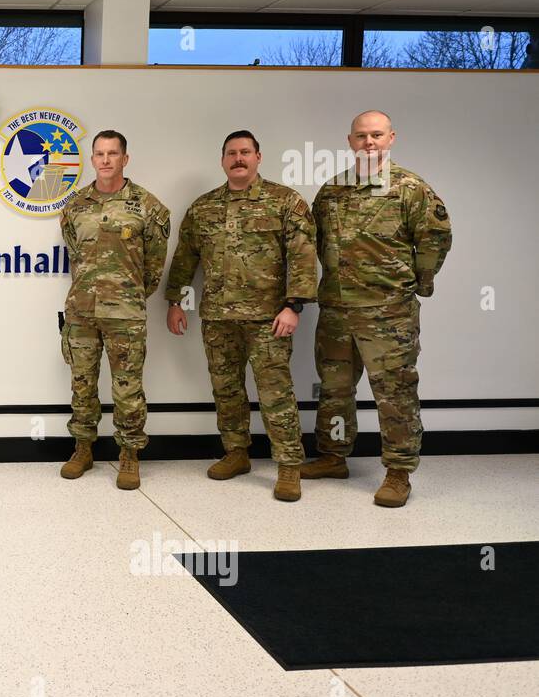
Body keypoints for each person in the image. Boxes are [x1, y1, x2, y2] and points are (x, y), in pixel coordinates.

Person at [302, 110, 452, 507]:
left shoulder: (410, 189)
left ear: (391, 139)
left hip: (388, 314)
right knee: (334, 389)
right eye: (361, 136)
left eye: (377, 135)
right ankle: (333, 456)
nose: (369, 142)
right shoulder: (332, 190)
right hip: (336, 310)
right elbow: (318, 244)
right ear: (350, 141)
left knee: (394, 392)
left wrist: (416, 283)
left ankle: (399, 472)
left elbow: (435, 240)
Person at [164, 131, 317, 501]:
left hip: (270, 318)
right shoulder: (204, 208)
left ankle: (289, 466)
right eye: (231, 153)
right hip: (218, 317)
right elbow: (186, 259)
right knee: (227, 390)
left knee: (275, 393)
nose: (238, 158)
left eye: (245, 152)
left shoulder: (285, 202)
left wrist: (294, 305)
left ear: (258, 157)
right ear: (222, 160)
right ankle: (236, 453)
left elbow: (303, 256)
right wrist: (175, 301)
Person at [59, 130, 170, 490]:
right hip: (81, 313)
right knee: (81, 384)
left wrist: (128, 294)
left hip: (125, 314)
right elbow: (76, 255)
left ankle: (129, 454)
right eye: (99, 154)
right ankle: (83, 448)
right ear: (92, 159)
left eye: (113, 153)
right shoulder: (75, 207)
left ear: (125, 158)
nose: (105, 160)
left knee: (127, 389)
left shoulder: (148, 206)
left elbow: (154, 266)